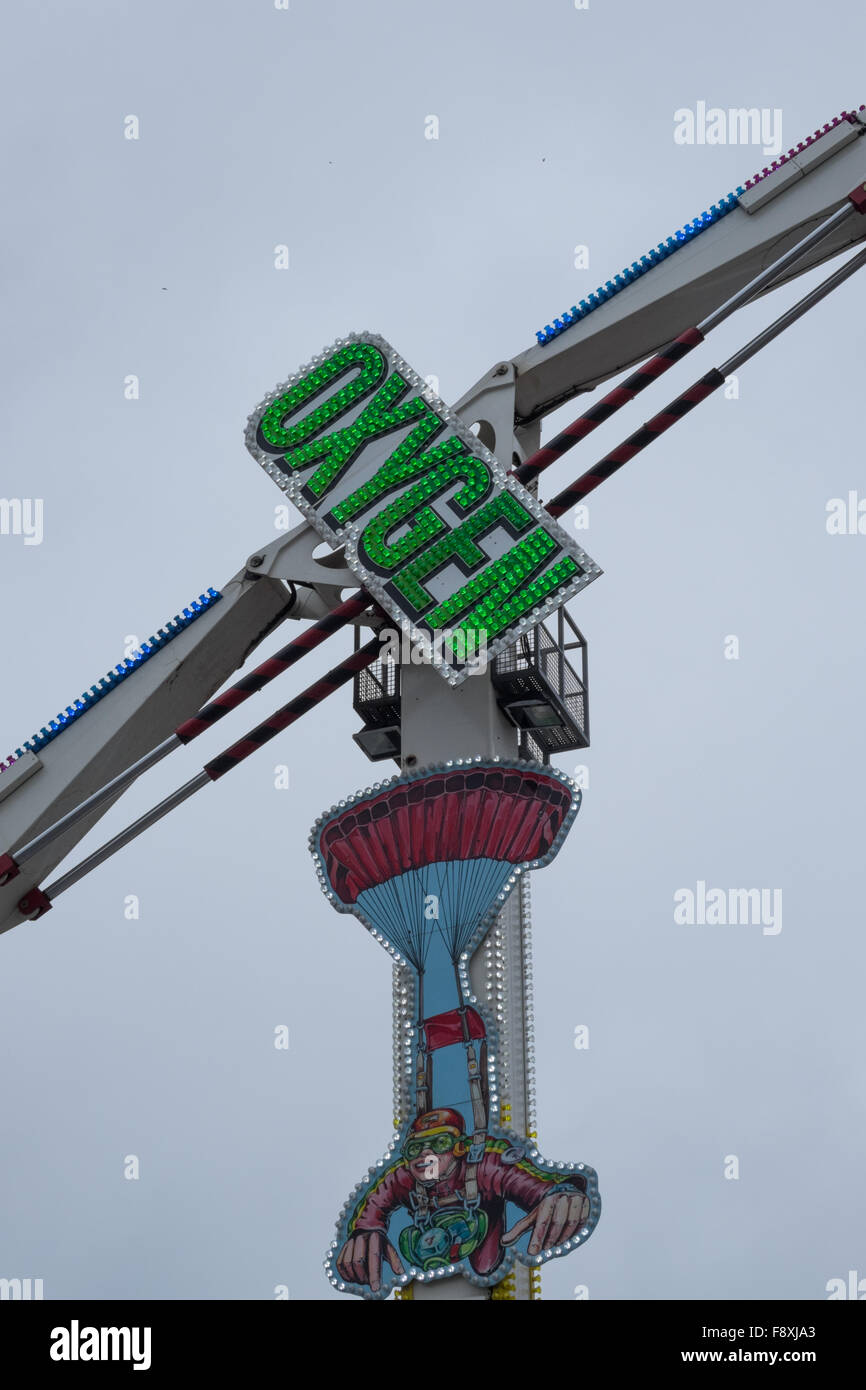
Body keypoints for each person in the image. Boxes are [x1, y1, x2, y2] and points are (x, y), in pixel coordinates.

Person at [335, 1107, 590, 1292]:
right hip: (435, 1241)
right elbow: (375, 1202)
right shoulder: (403, 1176)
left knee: (485, 1267)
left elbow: (528, 1178)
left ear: (459, 1146)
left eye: (439, 1142)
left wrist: (560, 1193)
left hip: (481, 1230)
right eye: (415, 1148)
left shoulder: (485, 1162)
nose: (425, 1154)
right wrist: (364, 1230)